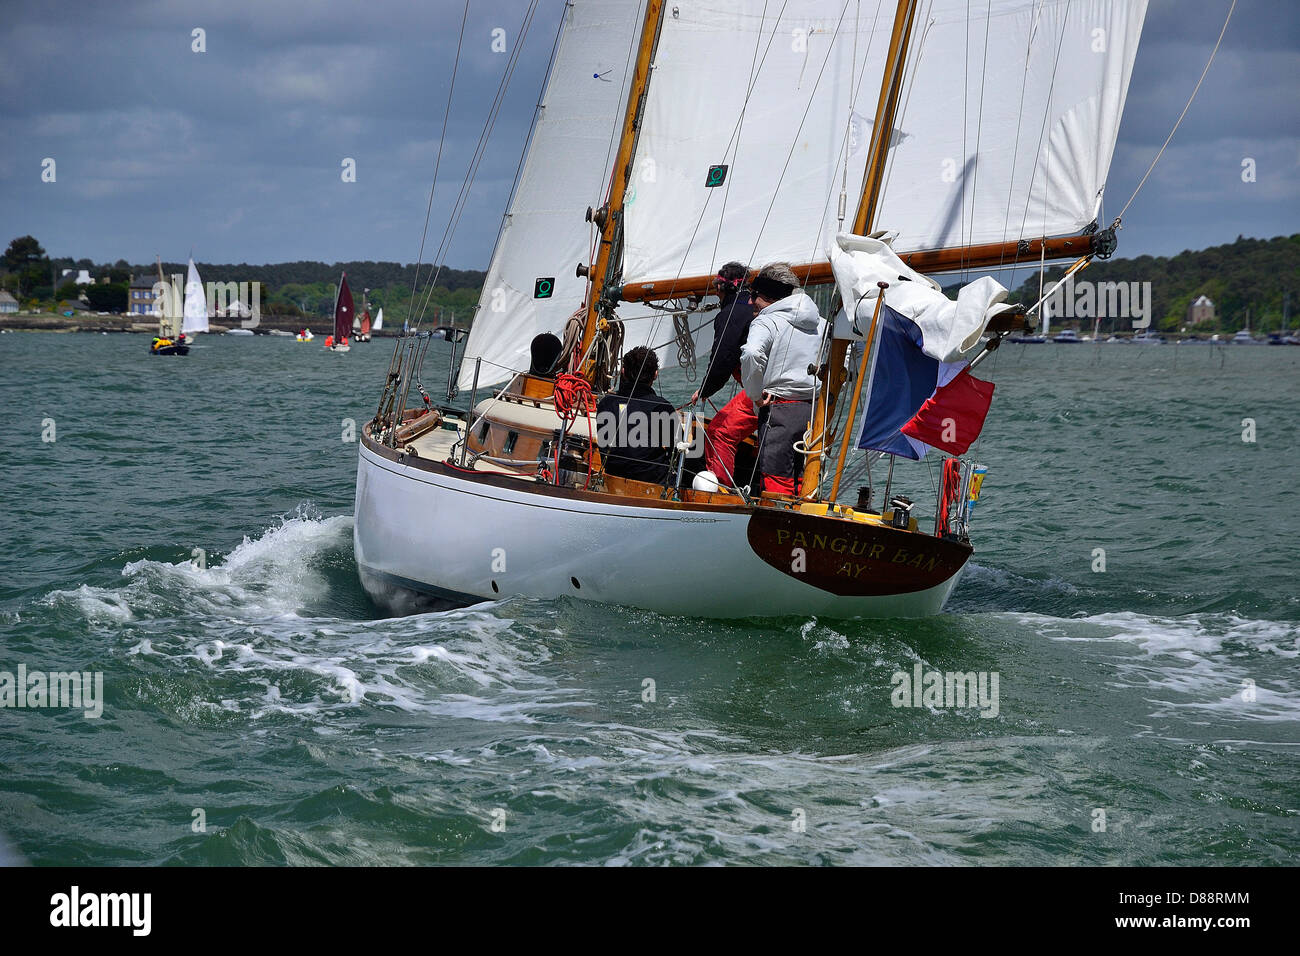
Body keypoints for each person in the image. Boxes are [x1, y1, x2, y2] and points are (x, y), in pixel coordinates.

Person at [740, 262, 826, 496]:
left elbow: (751, 353)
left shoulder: (766, 322)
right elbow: (849, 354)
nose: (750, 302)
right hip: (815, 415)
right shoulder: (822, 323)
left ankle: (782, 527)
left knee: (778, 482)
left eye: (753, 295)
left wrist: (755, 394)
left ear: (768, 296)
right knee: (806, 482)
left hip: (780, 411)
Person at [690, 261, 756, 486]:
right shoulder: (751, 306)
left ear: (721, 288)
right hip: (786, 387)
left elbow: (722, 359)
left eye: (717, 286)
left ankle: (721, 490)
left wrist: (704, 391)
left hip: (765, 388)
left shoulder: (730, 314)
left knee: (719, 431)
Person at [595, 346, 677, 485]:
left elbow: (604, 447)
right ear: (655, 374)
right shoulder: (662, 407)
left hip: (613, 477)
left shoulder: (606, 404)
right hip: (652, 483)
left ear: (623, 372)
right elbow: (675, 449)